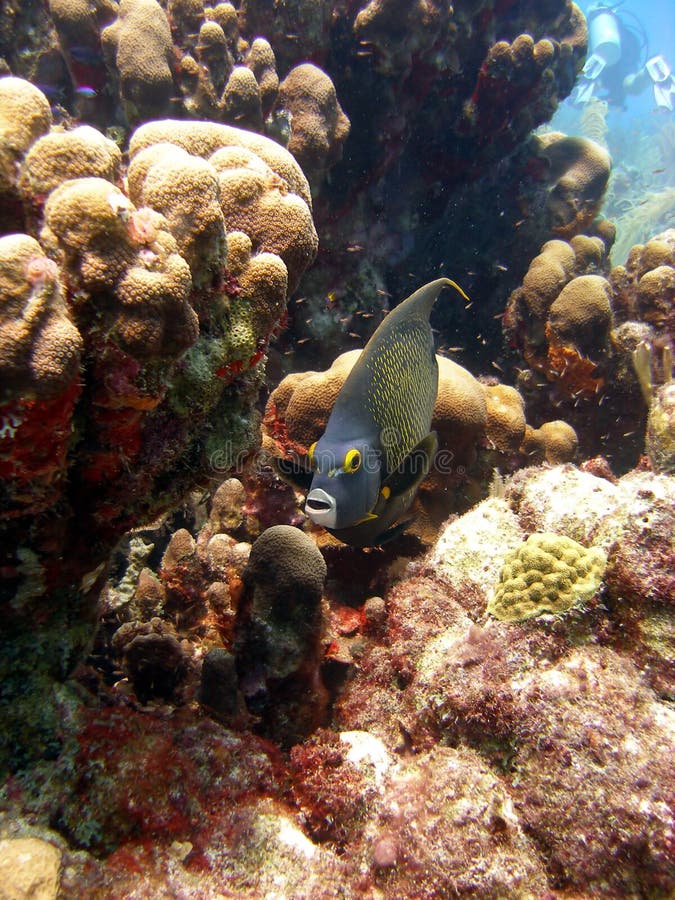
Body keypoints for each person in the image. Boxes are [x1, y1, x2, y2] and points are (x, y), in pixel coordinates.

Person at [574, 2, 674, 111]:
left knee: (601, 81)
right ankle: (649, 72)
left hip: (602, 55)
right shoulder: (619, 29)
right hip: (626, 47)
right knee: (629, 83)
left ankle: (590, 74)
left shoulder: (593, 29)